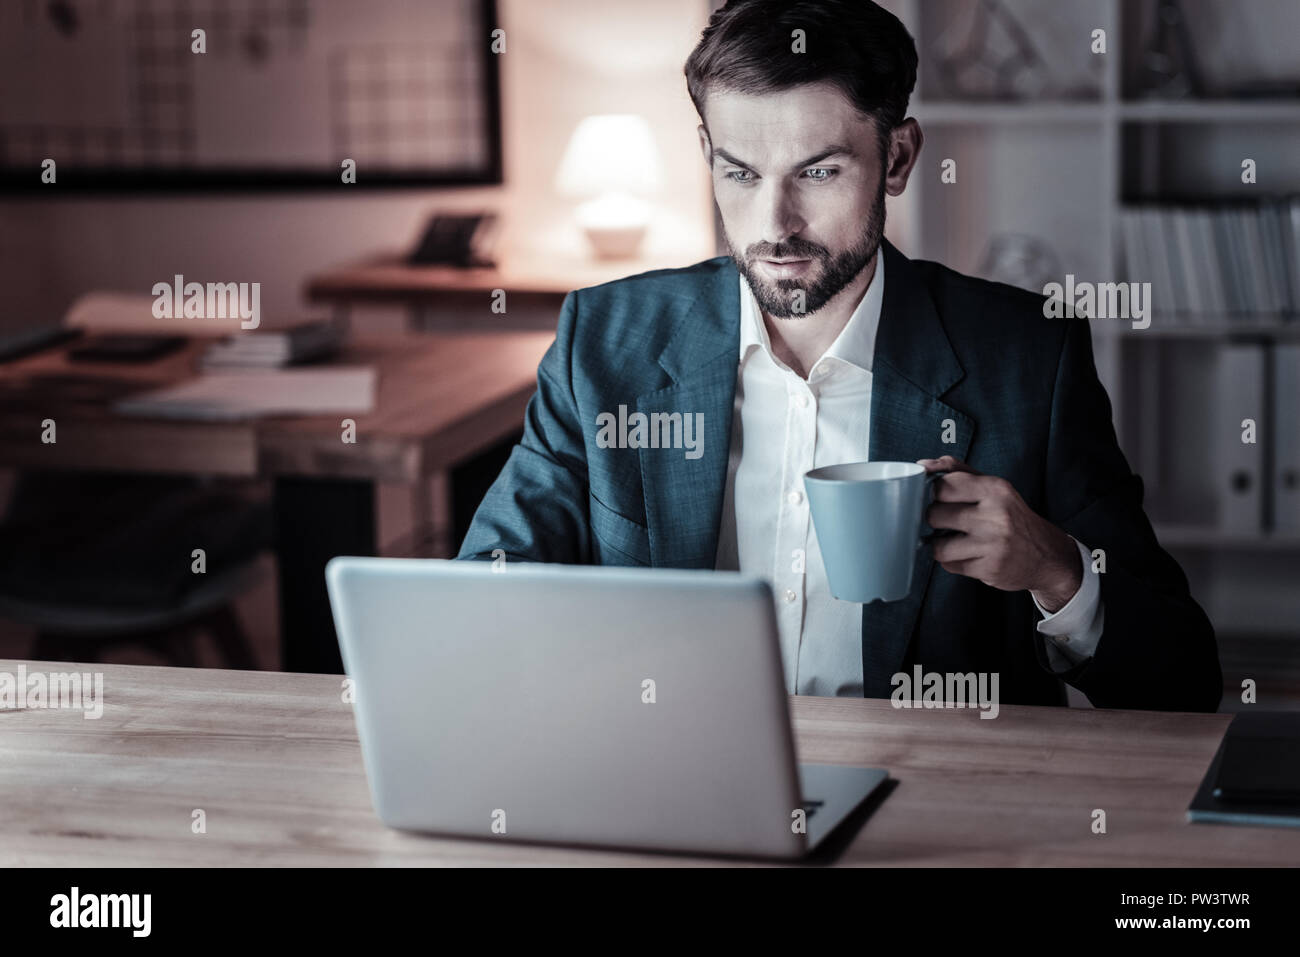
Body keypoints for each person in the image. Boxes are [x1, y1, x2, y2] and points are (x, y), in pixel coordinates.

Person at [458, 0, 1221, 712]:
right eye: (739, 172)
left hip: (934, 814)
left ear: (898, 157)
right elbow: (482, 599)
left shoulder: (1028, 358)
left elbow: (1183, 681)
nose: (774, 223)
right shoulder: (605, 339)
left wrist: (1057, 571)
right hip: (669, 790)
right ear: (706, 155)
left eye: (819, 171)